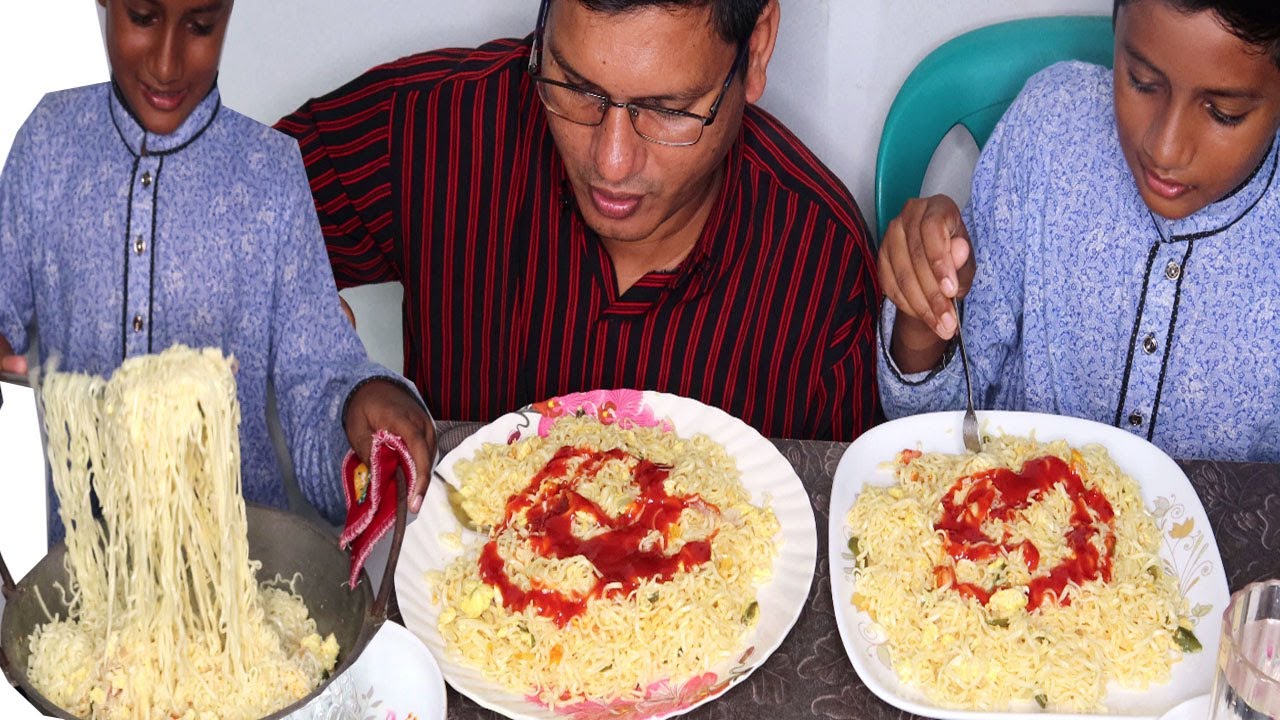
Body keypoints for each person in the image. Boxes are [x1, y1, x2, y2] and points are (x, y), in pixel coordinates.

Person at [275, 0, 879, 441]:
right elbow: (201, 214)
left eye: (667, 111)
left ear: (757, 47)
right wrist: (331, 368)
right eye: (576, 88)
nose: (611, 163)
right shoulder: (432, 127)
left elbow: (841, 539)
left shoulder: (822, 262)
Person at [0, 0, 438, 541]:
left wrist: (360, 401)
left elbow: (320, 375)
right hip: (87, 575)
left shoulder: (269, 174)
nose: (166, 64)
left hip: (242, 568)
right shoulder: (49, 143)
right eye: (141, 17)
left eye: (200, 27)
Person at [877, 0, 1280, 461]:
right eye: (1141, 82)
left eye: (1224, 112)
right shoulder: (1049, 131)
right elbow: (926, 430)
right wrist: (924, 303)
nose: (1165, 148)